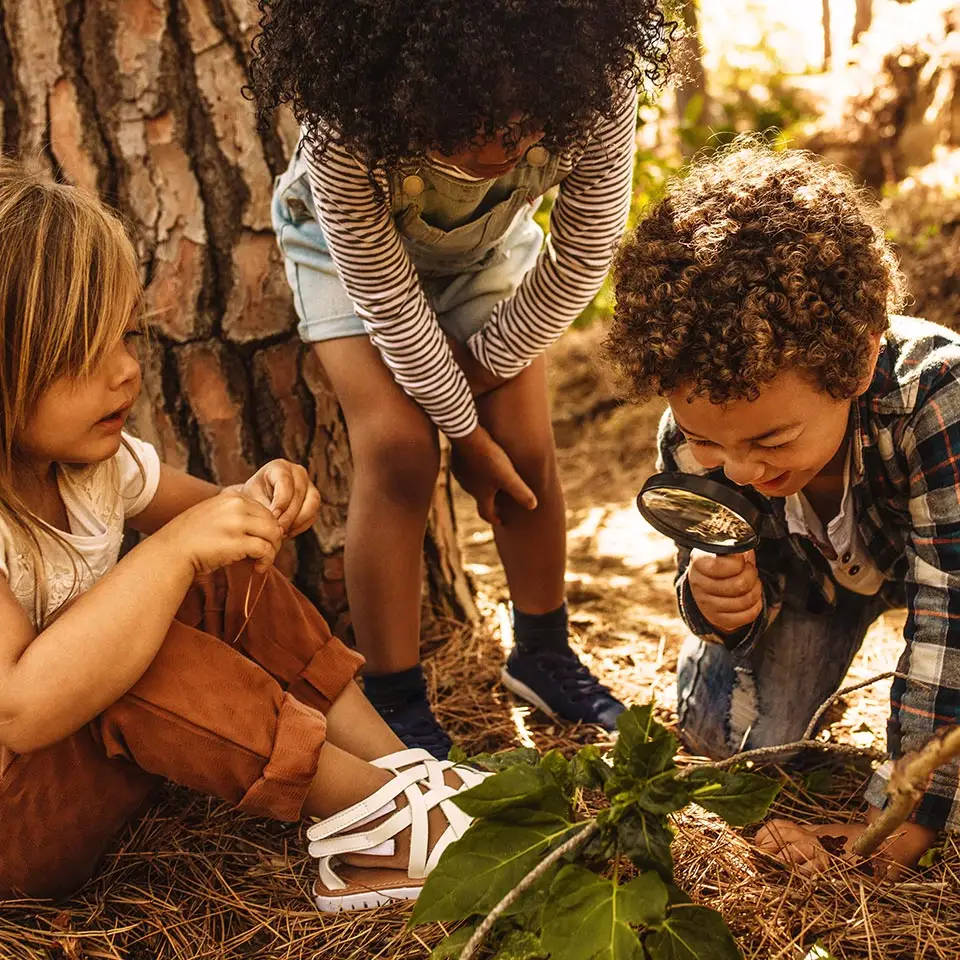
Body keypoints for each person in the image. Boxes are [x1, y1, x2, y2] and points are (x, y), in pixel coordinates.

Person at [0, 162, 487, 911]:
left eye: (126, 337)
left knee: (221, 571)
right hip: (17, 828)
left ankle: (400, 774)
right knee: (138, 645)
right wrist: (173, 550)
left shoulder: (94, 467)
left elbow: (221, 522)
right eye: (84, 353)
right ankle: (376, 822)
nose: (126, 371)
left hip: (85, 772)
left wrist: (261, 498)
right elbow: (20, 708)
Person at [248, 0, 676, 756]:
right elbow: (387, 300)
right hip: (347, 261)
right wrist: (464, 437)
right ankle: (395, 697)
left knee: (527, 447)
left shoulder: (596, 84)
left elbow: (582, 258)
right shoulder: (346, 119)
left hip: (485, 254)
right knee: (399, 449)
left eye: (523, 124)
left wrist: (477, 392)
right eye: (467, 124)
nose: (499, 148)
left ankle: (543, 653)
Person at [606, 143, 958, 876]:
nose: (738, 469)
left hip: (936, 566)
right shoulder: (693, 440)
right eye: (709, 441)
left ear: (858, 361)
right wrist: (720, 606)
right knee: (725, 742)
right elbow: (708, 576)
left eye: (771, 440)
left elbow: (949, 614)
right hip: (811, 588)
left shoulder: (938, 403)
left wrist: (904, 811)